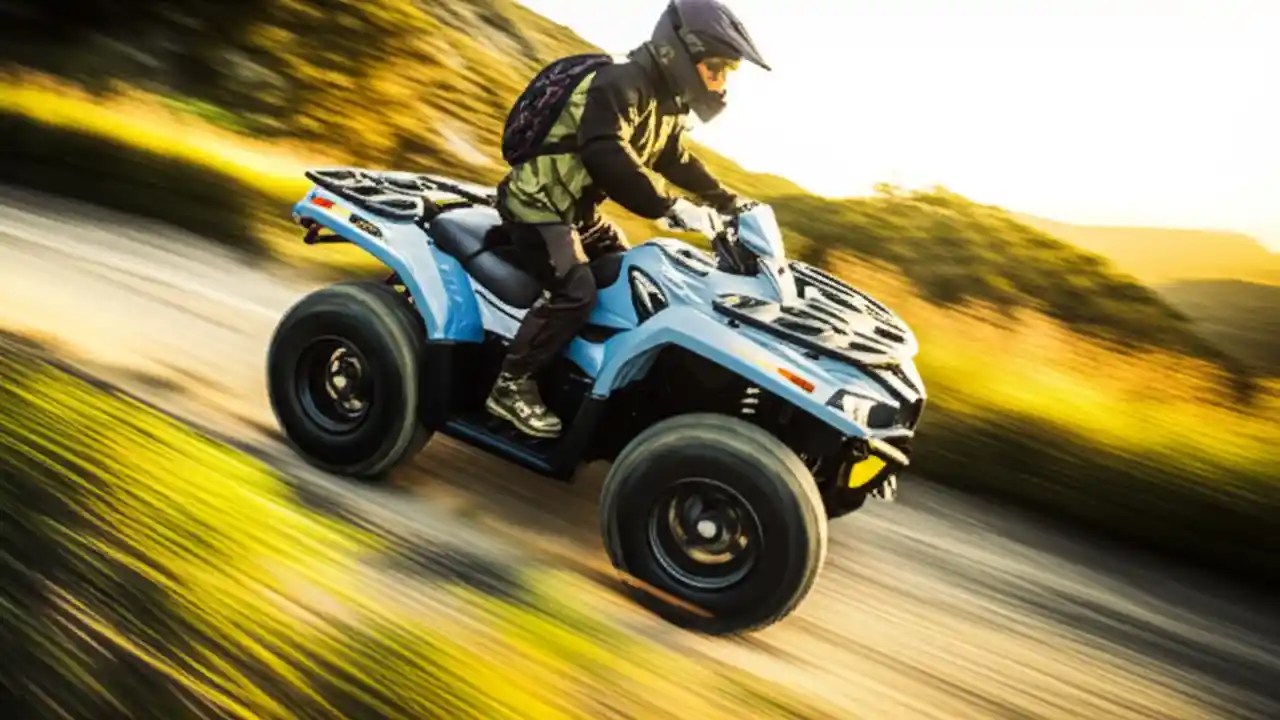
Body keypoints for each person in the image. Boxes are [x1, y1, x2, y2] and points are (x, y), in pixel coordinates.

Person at [484, 0, 772, 439]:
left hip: (576, 212)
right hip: (538, 205)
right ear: (680, 51)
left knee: (627, 273)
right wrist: (669, 206)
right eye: (715, 69)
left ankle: (572, 372)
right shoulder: (619, 82)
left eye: (725, 74)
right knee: (576, 291)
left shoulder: (661, 101)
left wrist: (729, 201)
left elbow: (674, 158)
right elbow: (606, 152)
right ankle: (511, 385)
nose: (719, 82)